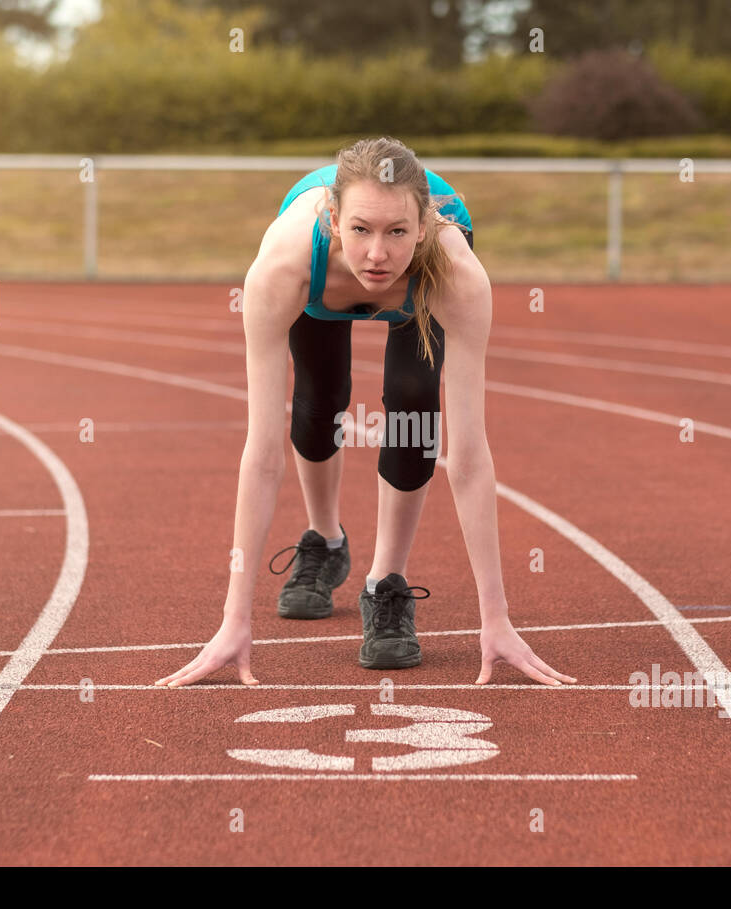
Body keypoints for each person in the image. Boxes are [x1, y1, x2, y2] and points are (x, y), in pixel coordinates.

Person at [156, 136, 574, 688]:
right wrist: (235, 620)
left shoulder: (457, 276)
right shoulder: (283, 269)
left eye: (396, 232)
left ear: (424, 226)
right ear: (332, 218)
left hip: (423, 279)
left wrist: (496, 620)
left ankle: (385, 583)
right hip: (316, 276)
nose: (377, 255)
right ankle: (324, 541)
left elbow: (468, 457)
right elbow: (261, 454)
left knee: (413, 409)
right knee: (319, 399)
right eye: (361, 230)